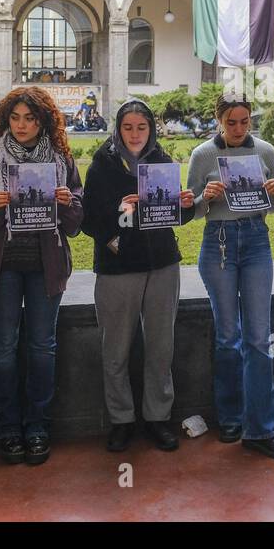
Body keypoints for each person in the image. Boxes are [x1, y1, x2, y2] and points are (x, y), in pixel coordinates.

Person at [0, 86, 84, 466]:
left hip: (45, 266)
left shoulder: (61, 159)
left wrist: (67, 203)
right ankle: (7, 428)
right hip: (1, 266)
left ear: (43, 120)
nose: (21, 125)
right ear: (5, 120)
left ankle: (37, 426)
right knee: (1, 348)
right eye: (14, 117)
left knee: (42, 347)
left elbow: (78, 220)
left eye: (29, 118)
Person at [81, 99, 196, 453]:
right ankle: (121, 420)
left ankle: (157, 418)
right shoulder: (101, 166)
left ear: (151, 130)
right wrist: (121, 211)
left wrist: (185, 207)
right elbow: (87, 221)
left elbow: (172, 219)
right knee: (115, 349)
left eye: (141, 128)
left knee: (161, 347)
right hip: (118, 268)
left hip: (162, 264)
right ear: (118, 128)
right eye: (128, 128)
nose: (134, 134)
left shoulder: (161, 161)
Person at [187, 93, 274, 460]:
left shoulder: (264, 150)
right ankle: (230, 416)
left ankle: (261, 427)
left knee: (259, 338)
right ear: (218, 120)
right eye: (231, 122)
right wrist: (205, 198)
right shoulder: (202, 155)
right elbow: (192, 211)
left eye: (245, 121)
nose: (239, 129)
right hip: (218, 243)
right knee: (228, 336)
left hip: (256, 240)